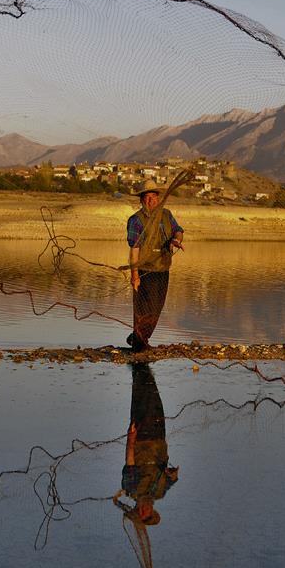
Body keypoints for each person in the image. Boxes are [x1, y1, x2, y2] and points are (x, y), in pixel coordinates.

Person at [113, 362, 179, 526]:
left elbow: (129, 460)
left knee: (141, 396)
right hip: (158, 438)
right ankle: (141, 363)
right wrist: (172, 474)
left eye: (140, 513)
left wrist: (131, 437)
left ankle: (139, 363)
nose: (144, 511)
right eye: (147, 514)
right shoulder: (160, 493)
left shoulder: (131, 489)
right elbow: (172, 478)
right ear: (152, 511)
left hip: (142, 438)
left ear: (136, 509)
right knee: (154, 395)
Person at [126, 180, 184, 352]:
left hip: (163, 269)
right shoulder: (136, 220)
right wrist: (134, 274)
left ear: (158, 198)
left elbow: (178, 230)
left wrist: (176, 240)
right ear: (141, 200)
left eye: (153, 197)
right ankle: (139, 343)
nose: (150, 201)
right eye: (147, 197)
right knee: (145, 308)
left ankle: (136, 338)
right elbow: (134, 249)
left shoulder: (167, 215)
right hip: (145, 270)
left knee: (157, 308)